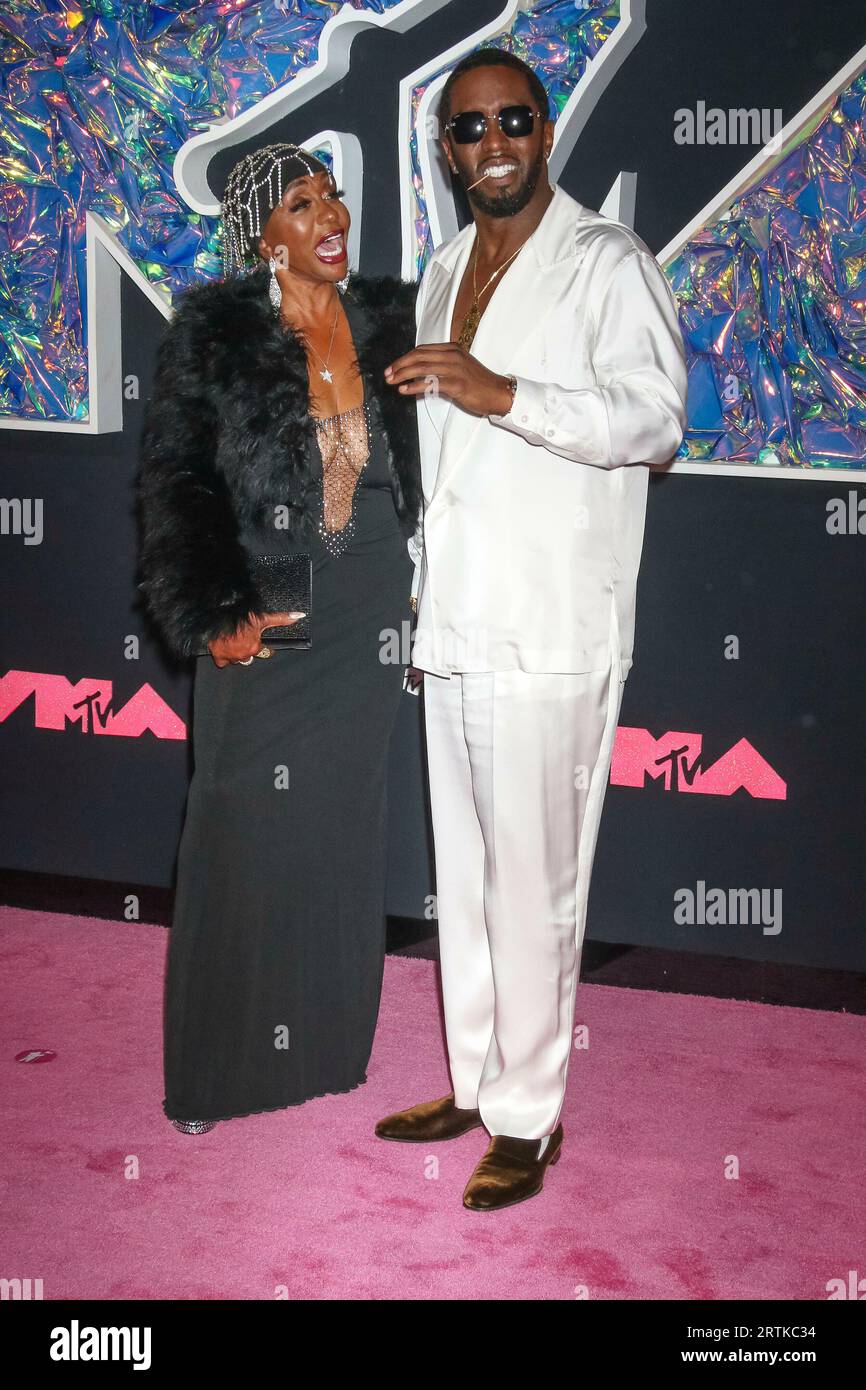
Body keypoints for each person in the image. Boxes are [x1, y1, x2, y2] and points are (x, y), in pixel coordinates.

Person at [376, 50, 689, 1210]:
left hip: (551, 623)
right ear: (445, 150)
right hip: (454, 620)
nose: (491, 142)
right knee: (464, 874)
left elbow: (655, 421)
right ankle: (471, 1078)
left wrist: (503, 390)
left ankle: (528, 1113)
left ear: (544, 129)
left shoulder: (607, 261)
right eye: (467, 128)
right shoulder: (446, 265)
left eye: (512, 119)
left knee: (535, 886)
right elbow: (440, 461)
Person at [136, 143, 421, 1131]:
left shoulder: (390, 314)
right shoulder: (216, 329)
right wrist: (212, 608)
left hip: (371, 589)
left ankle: (326, 1053)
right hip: (271, 584)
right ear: (261, 232)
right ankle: (212, 1076)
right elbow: (177, 479)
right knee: (233, 819)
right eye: (302, 204)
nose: (329, 215)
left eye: (332, 196)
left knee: (341, 821)